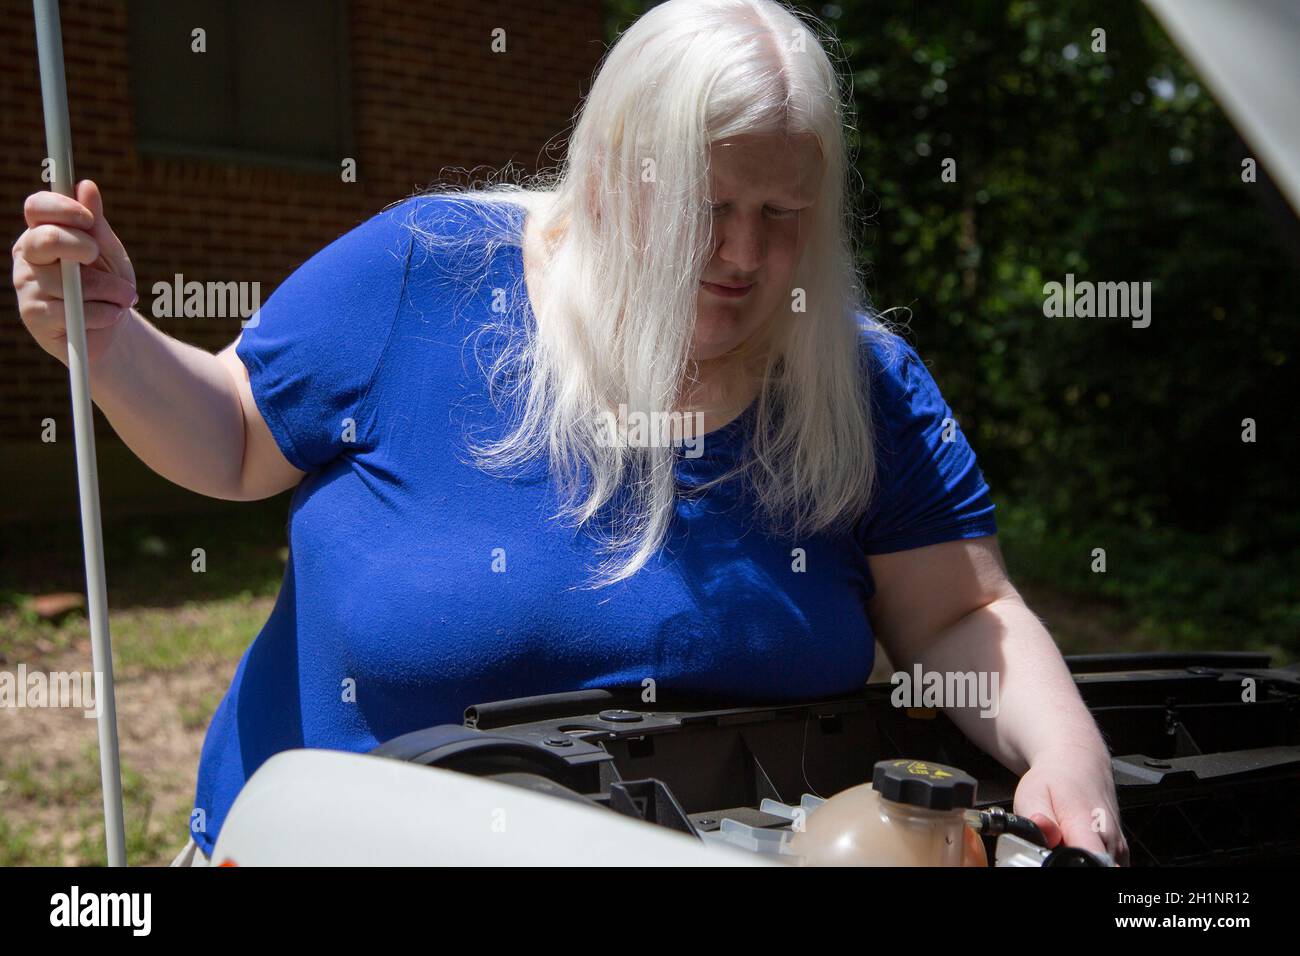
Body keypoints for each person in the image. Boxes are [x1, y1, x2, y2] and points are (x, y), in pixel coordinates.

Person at [11, 0, 1127, 866]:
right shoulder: (423, 272)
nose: (740, 253)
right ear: (607, 176)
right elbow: (234, 434)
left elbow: (961, 614)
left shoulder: (858, 380)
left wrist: (1065, 755)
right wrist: (109, 342)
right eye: (703, 204)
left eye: (779, 215)